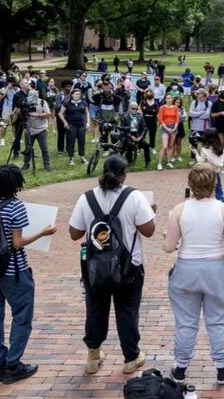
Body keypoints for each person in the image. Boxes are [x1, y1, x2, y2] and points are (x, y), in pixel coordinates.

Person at [68, 155, 156, 375]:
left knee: (95, 308)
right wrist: (150, 212)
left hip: (95, 267)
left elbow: (74, 233)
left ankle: (93, 355)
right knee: (127, 310)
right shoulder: (134, 197)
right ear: (124, 174)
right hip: (129, 266)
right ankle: (131, 357)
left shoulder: (86, 198)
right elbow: (149, 230)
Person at [162, 162, 224, 386]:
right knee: (218, 321)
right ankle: (222, 367)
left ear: (190, 183)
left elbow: (168, 247)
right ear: (214, 184)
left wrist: (166, 236)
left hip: (186, 268)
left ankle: (180, 367)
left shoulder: (179, 210)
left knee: (185, 322)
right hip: (216, 269)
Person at [0, 166, 56, 383]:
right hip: (14, 272)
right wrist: (42, 233)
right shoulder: (15, 206)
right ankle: (13, 364)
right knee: (21, 316)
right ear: (15, 185)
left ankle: (0, 363)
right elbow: (17, 243)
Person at [21, 90, 52, 171]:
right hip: (29, 128)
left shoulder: (42, 102)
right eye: (30, 95)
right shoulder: (26, 102)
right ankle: (26, 164)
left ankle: (47, 165)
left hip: (41, 129)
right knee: (28, 148)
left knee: (44, 148)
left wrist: (37, 115)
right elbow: (22, 113)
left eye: (34, 95)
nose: (32, 97)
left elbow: (48, 113)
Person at [59, 88, 89, 167]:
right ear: (72, 95)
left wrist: (88, 123)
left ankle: (82, 157)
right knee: (71, 142)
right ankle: (71, 158)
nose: (77, 96)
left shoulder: (83, 103)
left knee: (82, 141)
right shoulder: (67, 103)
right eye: (76, 94)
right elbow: (60, 113)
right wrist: (65, 122)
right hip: (71, 125)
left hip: (81, 125)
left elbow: (87, 113)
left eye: (79, 94)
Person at [158, 94, 180, 170]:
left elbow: (177, 118)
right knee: (164, 146)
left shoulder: (175, 107)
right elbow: (160, 119)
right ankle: (159, 163)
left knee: (171, 146)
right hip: (165, 127)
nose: (169, 99)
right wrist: (167, 128)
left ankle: (169, 161)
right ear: (165, 99)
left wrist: (175, 127)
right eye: (167, 98)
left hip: (174, 127)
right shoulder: (162, 107)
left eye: (170, 98)